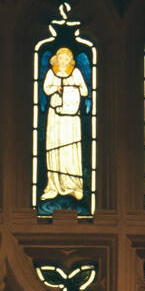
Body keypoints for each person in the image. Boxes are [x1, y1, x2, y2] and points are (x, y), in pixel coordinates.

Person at [41, 47, 87, 201]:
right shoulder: (50, 73)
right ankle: (53, 186)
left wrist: (73, 88)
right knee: (55, 145)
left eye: (66, 58)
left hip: (71, 116)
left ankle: (74, 185)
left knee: (70, 147)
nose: (63, 61)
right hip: (55, 116)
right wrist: (57, 88)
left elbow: (85, 91)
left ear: (70, 60)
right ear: (56, 59)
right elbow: (46, 90)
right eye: (60, 58)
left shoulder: (76, 73)